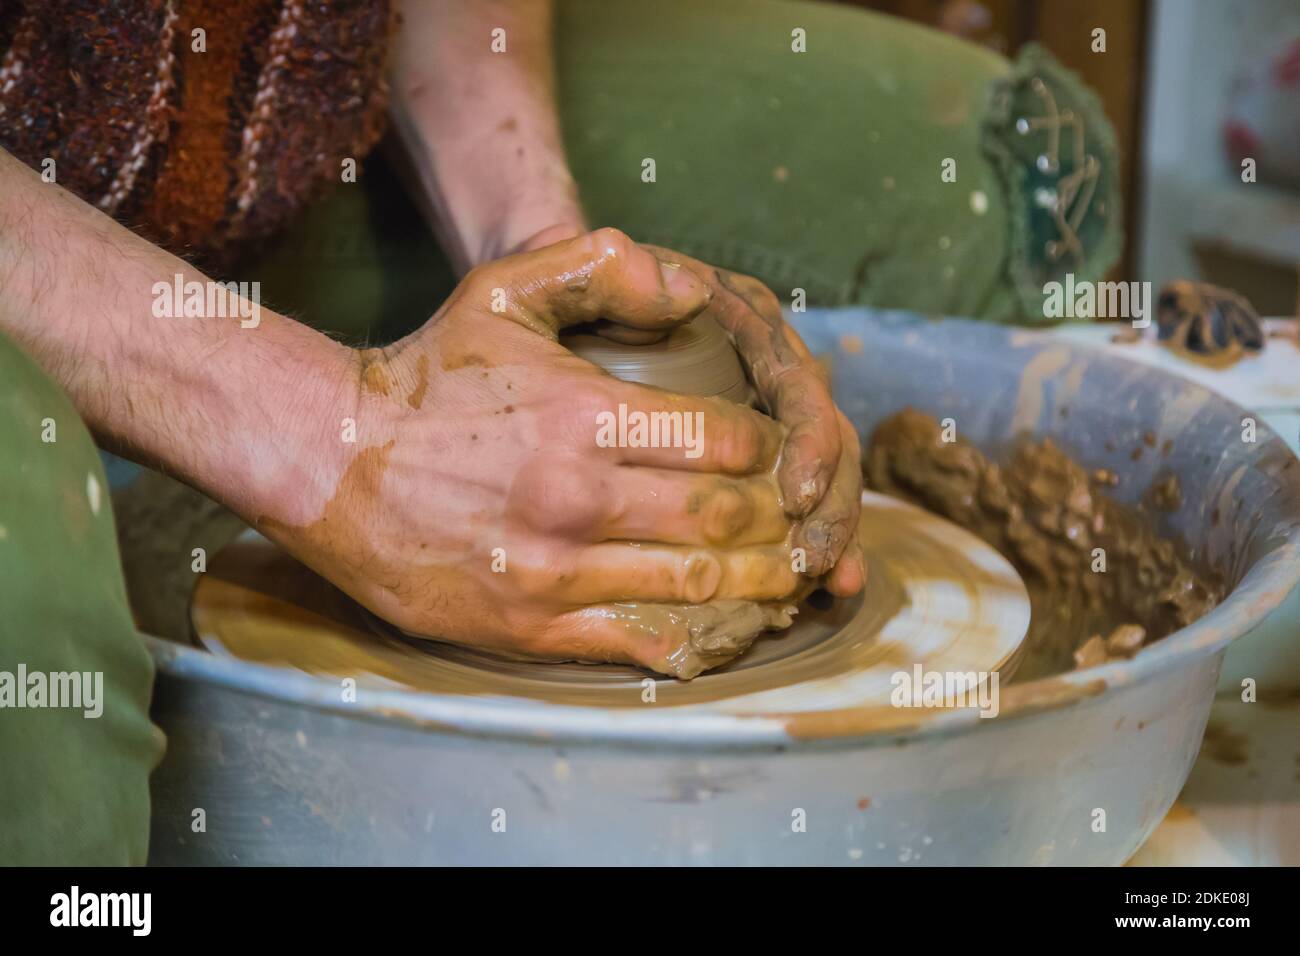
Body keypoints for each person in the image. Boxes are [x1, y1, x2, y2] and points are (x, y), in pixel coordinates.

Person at [0, 0, 1119, 863]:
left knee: (982, 171)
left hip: (281, 136)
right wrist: (335, 443)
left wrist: (557, 270)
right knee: (28, 617)